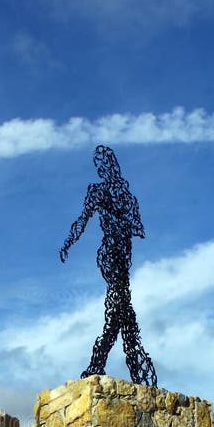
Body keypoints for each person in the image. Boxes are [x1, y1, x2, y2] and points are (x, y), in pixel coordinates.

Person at [59, 145, 157, 386]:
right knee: (121, 307)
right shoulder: (99, 192)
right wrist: (69, 243)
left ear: (112, 165)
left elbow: (139, 228)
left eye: (105, 164)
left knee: (120, 312)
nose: (102, 169)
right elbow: (82, 220)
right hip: (111, 253)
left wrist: (118, 217)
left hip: (122, 252)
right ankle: (134, 366)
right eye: (99, 165)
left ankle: (102, 364)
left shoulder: (126, 195)